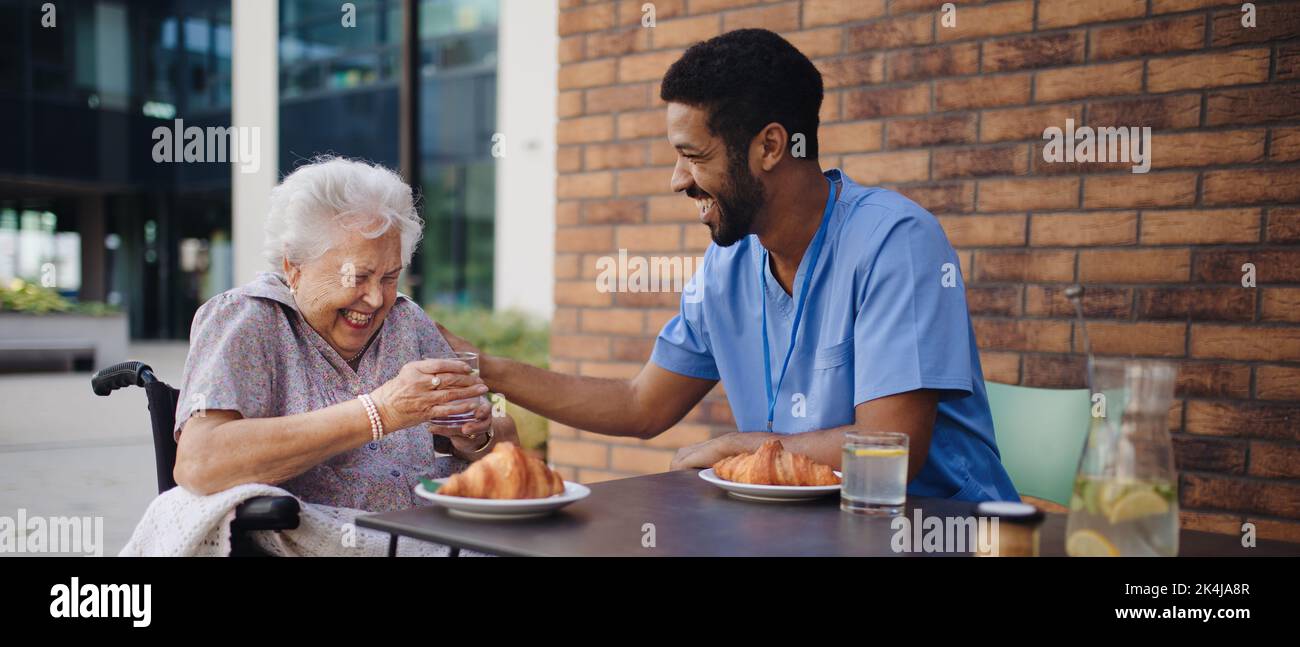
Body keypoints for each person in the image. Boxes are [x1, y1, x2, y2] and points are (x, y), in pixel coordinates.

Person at [440, 29, 1018, 502]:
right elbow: (641, 405)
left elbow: (893, 448)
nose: (677, 180)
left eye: (694, 156)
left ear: (769, 147)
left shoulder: (896, 241)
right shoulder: (730, 264)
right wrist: (481, 365)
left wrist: (742, 449)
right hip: (803, 536)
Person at [172, 156, 517, 511]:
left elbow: (505, 438)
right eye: (357, 276)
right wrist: (380, 411)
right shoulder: (248, 319)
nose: (376, 298)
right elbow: (199, 464)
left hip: (435, 537)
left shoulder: (406, 320)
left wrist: (476, 436)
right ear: (294, 266)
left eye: (389, 277)